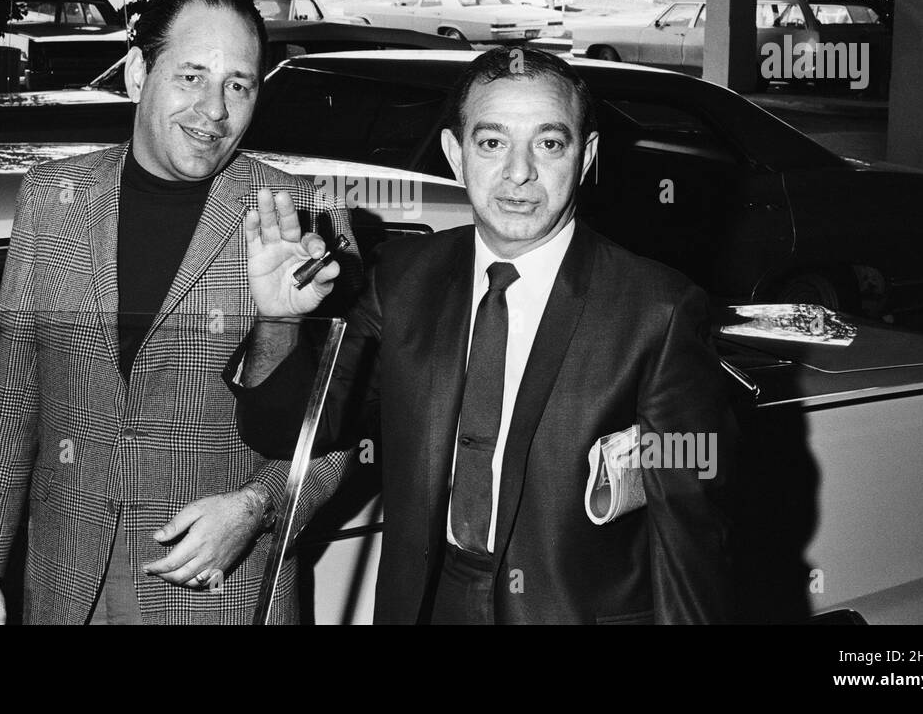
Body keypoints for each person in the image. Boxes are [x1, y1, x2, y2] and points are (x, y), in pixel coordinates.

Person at [234, 46, 738, 624]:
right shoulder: (401, 280)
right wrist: (279, 319)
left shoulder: (659, 308)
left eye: (550, 144)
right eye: (492, 142)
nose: (519, 172)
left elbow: (691, 527)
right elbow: (285, 433)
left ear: (587, 156)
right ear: (456, 155)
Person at [0, 0, 357, 625]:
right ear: (139, 71)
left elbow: (336, 433)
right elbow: (12, 393)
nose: (214, 110)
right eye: (191, 76)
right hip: (65, 586)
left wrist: (256, 508)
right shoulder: (52, 197)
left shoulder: (303, 216)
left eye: (239, 86)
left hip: (219, 593)